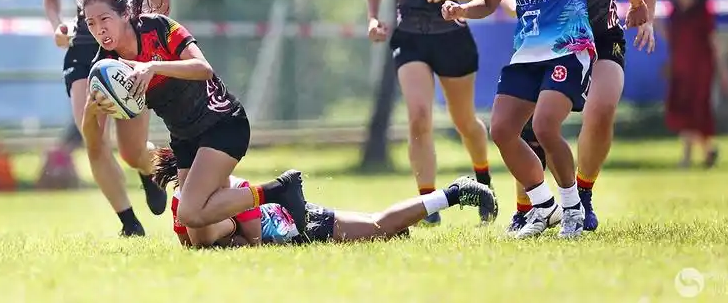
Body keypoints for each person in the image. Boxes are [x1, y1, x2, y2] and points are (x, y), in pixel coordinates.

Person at [442, 0, 648, 239]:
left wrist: (636, 1)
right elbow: (489, 2)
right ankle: (543, 206)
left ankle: (573, 207)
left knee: (544, 125)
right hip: (528, 52)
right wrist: (460, 9)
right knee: (502, 129)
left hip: (571, 46)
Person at [78, 0, 308, 246]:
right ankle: (237, 232)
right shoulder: (106, 68)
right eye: (90, 23)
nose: (98, 29)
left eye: (104, 19)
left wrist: (153, 67)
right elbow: (93, 141)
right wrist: (91, 111)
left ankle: (278, 191)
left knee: (189, 211)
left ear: (125, 13)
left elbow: (203, 69)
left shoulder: (159, 28)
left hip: (222, 124)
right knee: (199, 237)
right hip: (186, 140)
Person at [507, 0, 660, 233]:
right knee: (530, 128)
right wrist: (516, 4)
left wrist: (646, 15)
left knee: (602, 108)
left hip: (604, 35)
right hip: (549, 43)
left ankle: (584, 197)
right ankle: (527, 208)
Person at [42, 0, 170, 236]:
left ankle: (149, 171)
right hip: (84, 46)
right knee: (93, 137)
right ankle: (129, 223)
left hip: (129, 52)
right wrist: (58, 26)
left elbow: (163, 2)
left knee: (131, 151)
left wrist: (135, 34)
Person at [366, 0, 494, 226]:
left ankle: (483, 179)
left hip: (452, 38)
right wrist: (373, 18)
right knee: (418, 115)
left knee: (464, 121)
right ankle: (428, 204)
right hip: (410, 39)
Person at [151, 148, 498, 247]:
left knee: (380, 226)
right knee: (383, 232)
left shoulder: (238, 191)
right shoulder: (186, 203)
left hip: (304, 224)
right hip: (292, 227)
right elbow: (199, 244)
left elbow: (253, 242)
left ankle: (454, 193)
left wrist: (235, 241)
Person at [664, 0, 728, 168]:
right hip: (681, 69)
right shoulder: (674, 12)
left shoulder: (703, 11)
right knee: (683, 110)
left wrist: (723, 70)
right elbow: (675, 41)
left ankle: (688, 156)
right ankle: (709, 150)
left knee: (698, 111)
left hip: (701, 69)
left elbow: (713, 41)